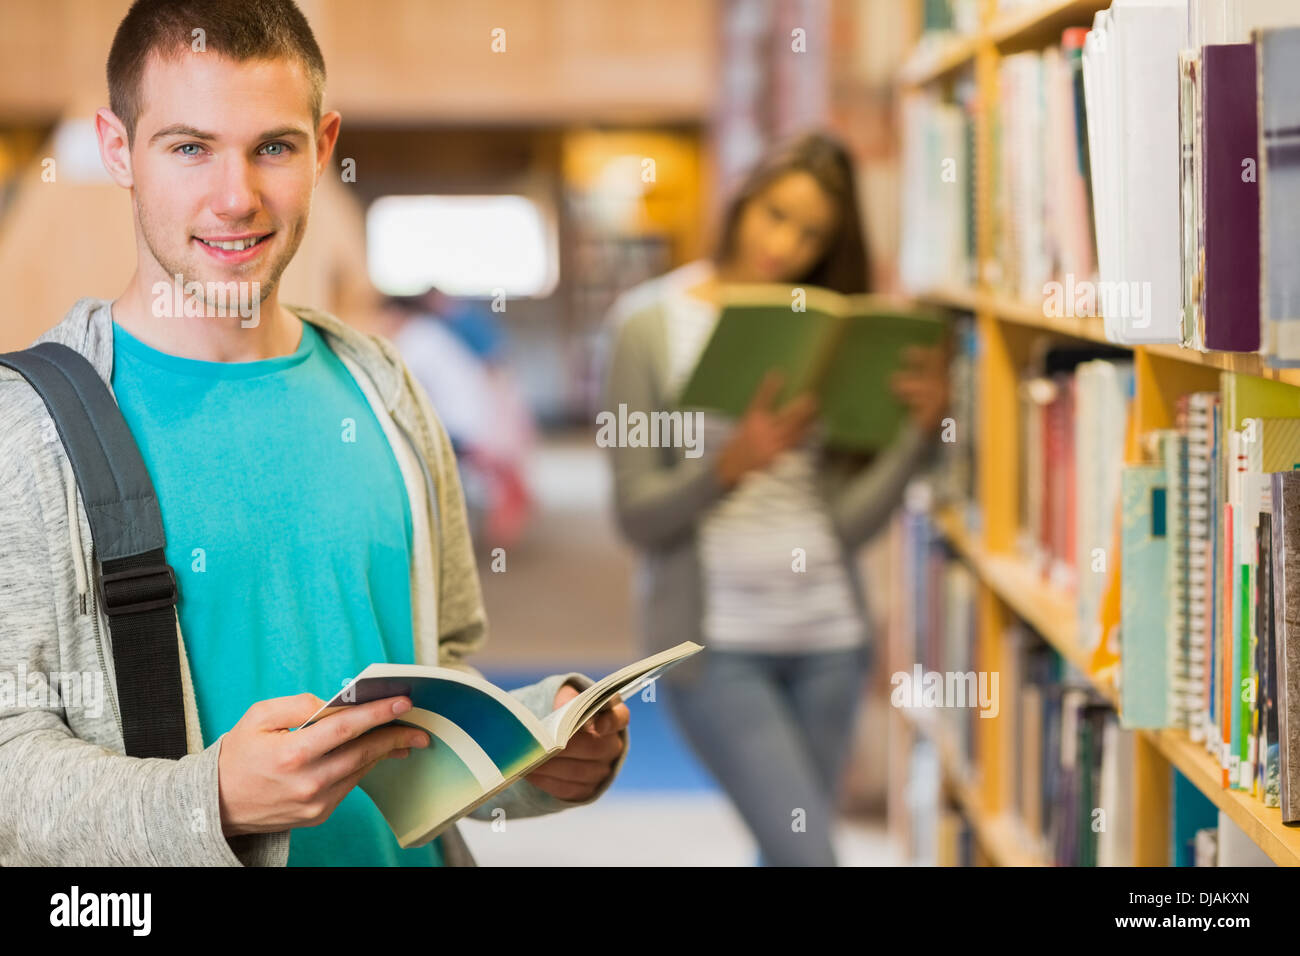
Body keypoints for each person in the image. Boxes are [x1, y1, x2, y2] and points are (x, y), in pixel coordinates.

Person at [0, 0, 628, 867]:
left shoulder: (384, 386)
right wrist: (212, 799)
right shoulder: (28, 426)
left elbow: (429, 687)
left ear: (324, 146)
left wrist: (540, 756)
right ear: (119, 152)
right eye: (189, 147)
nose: (236, 197)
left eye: (274, 147)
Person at [601, 130, 949, 866]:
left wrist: (916, 437)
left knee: (787, 847)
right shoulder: (650, 325)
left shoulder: (822, 333)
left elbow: (843, 529)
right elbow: (636, 517)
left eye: (812, 233)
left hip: (831, 641)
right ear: (743, 201)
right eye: (775, 214)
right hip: (716, 647)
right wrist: (729, 464)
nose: (785, 244)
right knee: (810, 855)